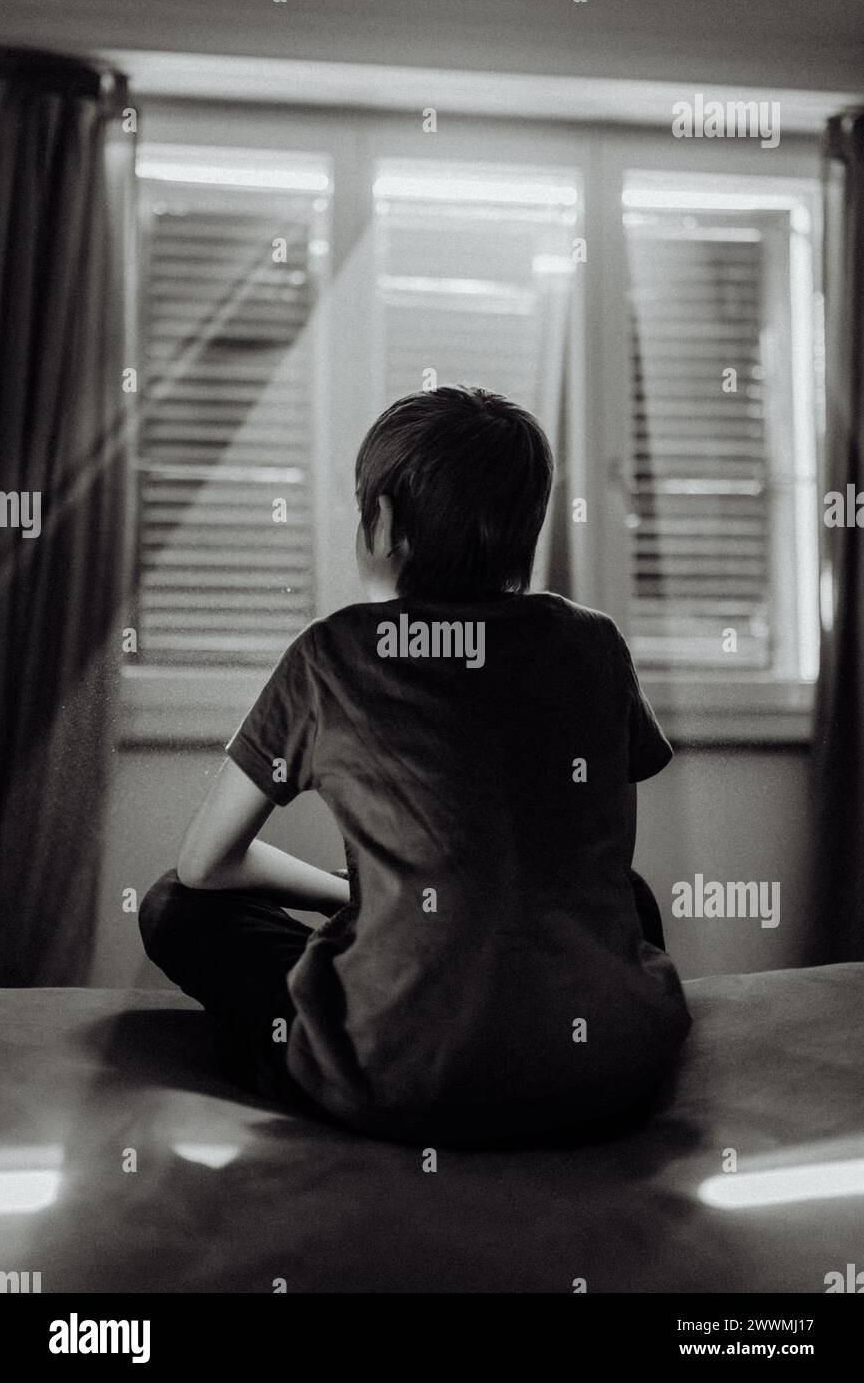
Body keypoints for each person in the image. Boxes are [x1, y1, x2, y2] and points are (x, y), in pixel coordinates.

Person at [140, 386, 692, 1147]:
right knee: (622, 892)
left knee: (174, 907)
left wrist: (350, 902)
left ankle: (308, 1064)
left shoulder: (330, 654)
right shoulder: (594, 644)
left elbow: (205, 865)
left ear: (382, 520)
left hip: (399, 1081)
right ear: (525, 529)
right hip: (611, 1075)